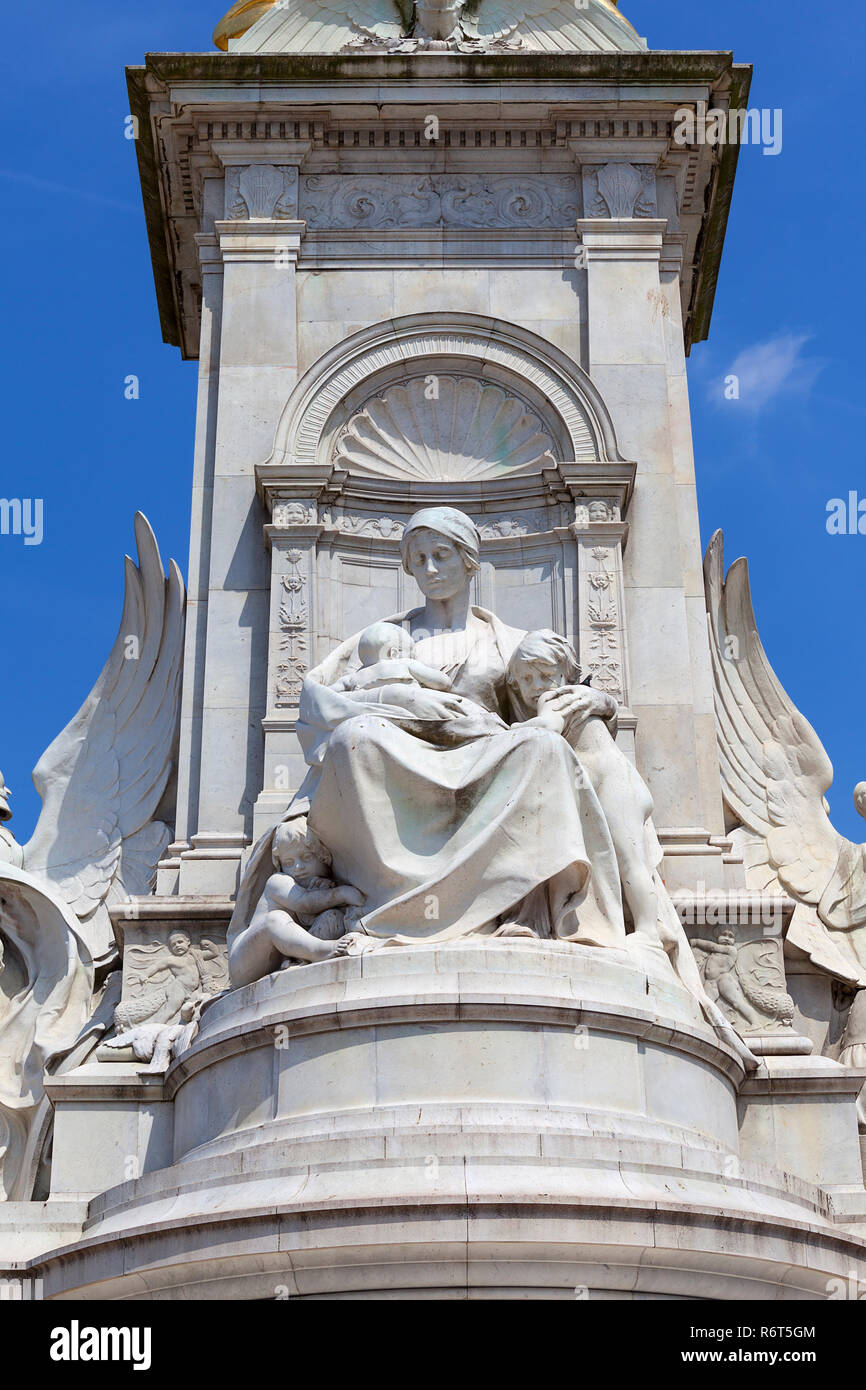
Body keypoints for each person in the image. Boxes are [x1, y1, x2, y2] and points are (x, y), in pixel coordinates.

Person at [228, 506, 625, 965]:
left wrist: (604, 703)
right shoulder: (383, 639)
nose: (430, 569)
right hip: (398, 753)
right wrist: (406, 704)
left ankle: (500, 905)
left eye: (442, 555)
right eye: (419, 560)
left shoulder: (510, 641)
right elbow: (321, 705)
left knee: (544, 746)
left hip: (484, 756)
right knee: (354, 737)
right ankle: (386, 903)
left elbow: (562, 695)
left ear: (469, 560)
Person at [506, 629, 661, 941]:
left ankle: (650, 933)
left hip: (613, 782)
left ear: (565, 674)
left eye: (545, 675)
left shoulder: (558, 698)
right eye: (526, 679)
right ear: (514, 682)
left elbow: (549, 727)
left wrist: (509, 731)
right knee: (628, 861)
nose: (536, 687)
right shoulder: (555, 696)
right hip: (606, 781)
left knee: (630, 861)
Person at [228, 819, 366, 987]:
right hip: (244, 962)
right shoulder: (277, 882)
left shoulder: (318, 884)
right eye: (288, 863)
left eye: (306, 857)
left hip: (280, 956)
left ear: (323, 857)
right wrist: (341, 894)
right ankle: (321, 950)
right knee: (275, 919)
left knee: (333, 917)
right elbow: (305, 903)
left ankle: (303, 959)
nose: (298, 867)